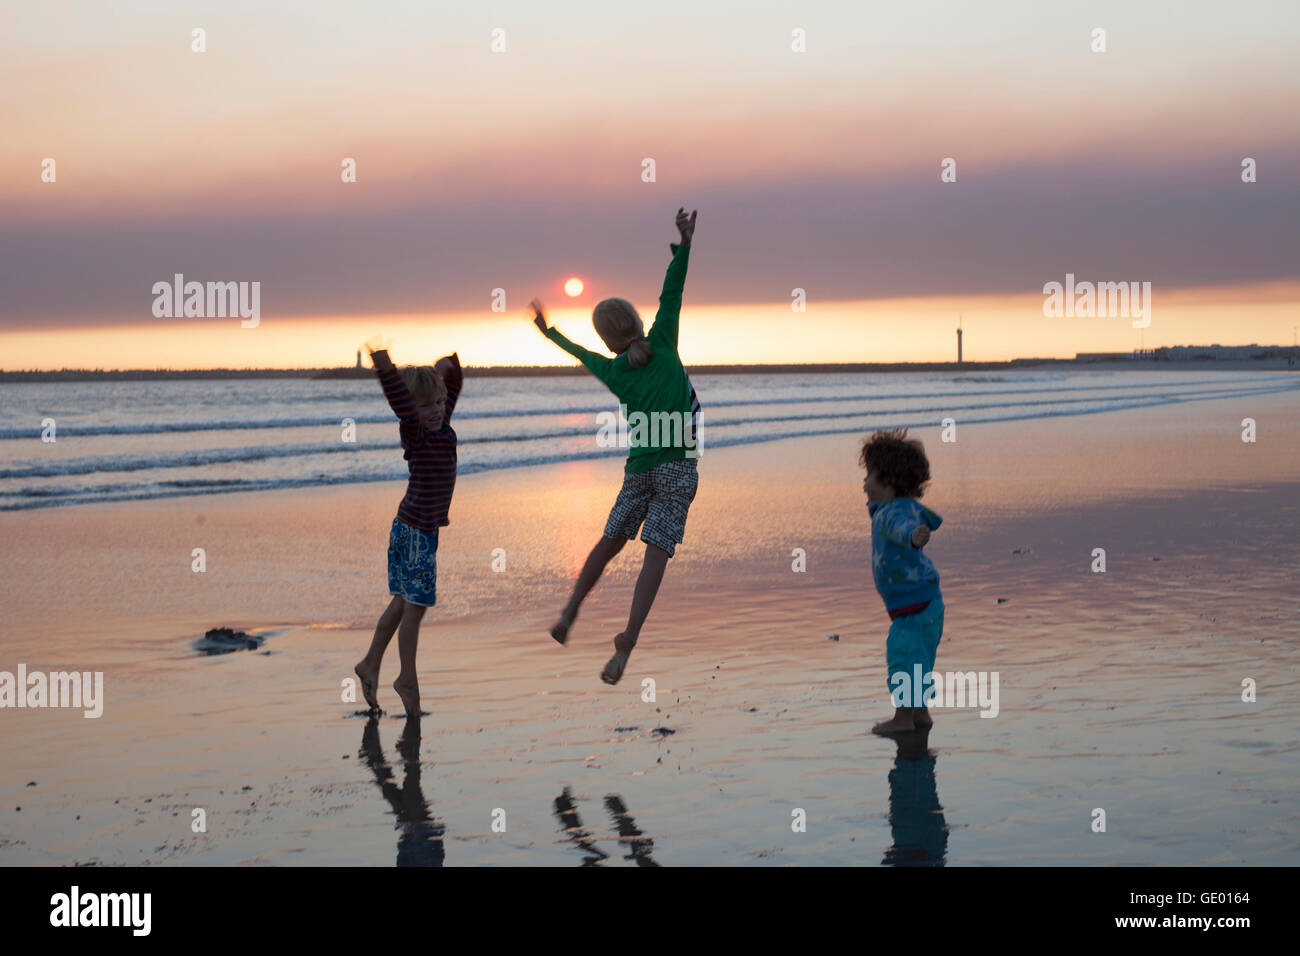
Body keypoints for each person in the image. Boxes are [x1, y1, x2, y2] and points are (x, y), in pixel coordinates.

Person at [530, 207, 702, 684]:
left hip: (639, 469)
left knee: (608, 544)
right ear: (639, 322)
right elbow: (675, 289)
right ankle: (628, 638)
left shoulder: (611, 370)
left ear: (608, 342)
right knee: (656, 553)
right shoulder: (664, 340)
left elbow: (575, 352)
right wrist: (684, 241)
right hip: (677, 469)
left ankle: (568, 612)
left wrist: (546, 330)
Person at [354, 342, 462, 718]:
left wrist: (449, 364)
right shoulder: (417, 433)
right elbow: (401, 400)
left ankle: (370, 663)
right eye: (424, 406)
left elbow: (452, 387)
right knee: (414, 607)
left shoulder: (442, 425)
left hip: (414, 530)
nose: (433, 411)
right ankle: (407, 679)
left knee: (403, 602)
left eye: (437, 404)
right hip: (414, 533)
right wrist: (385, 367)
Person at [860, 428, 944, 734]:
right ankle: (920, 713)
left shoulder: (893, 515)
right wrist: (917, 530)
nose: (864, 481)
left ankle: (903, 719)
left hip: (911, 605)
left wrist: (913, 536)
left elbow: (903, 529)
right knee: (919, 658)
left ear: (888, 481)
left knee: (903, 657)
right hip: (929, 601)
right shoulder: (901, 507)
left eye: (869, 475)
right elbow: (921, 518)